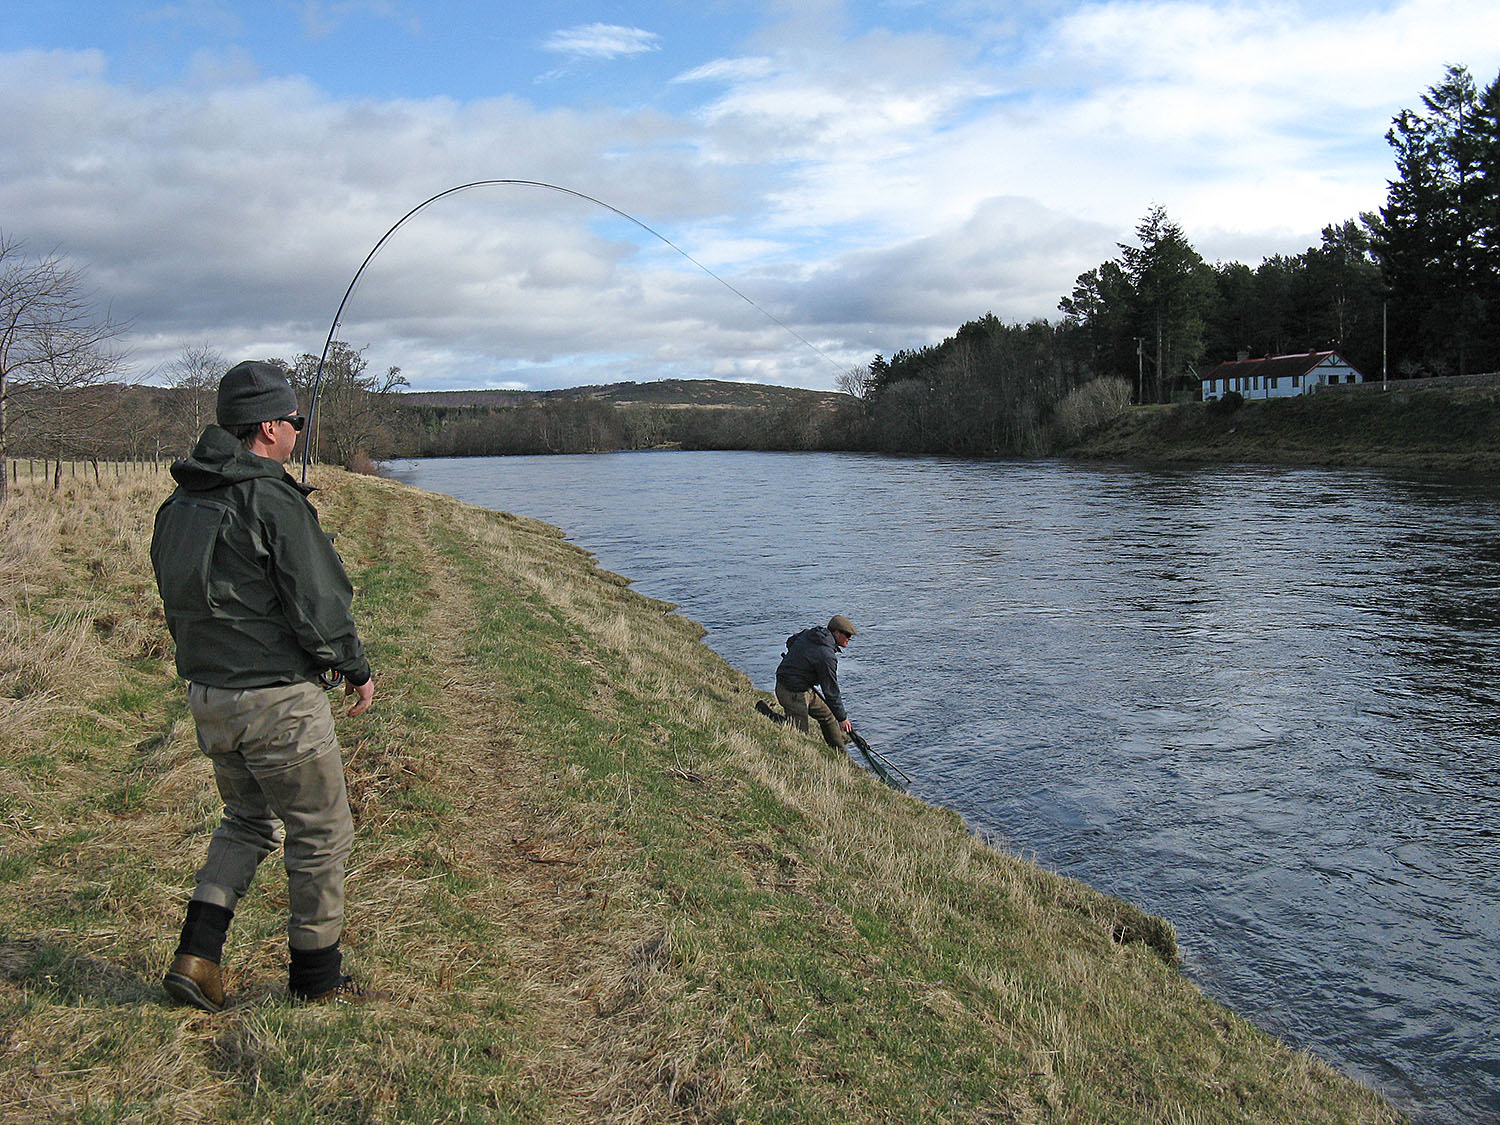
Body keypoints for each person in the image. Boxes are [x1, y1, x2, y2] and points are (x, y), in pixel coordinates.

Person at [150, 360, 381, 1010]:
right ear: (270, 426)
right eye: (295, 422)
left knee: (246, 819)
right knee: (321, 830)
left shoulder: (181, 502)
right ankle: (317, 981)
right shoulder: (268, 497)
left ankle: (196, 957)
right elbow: (320, 602)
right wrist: (354, 668)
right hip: (277, 703)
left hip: (210, 697)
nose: (299, 434)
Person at [767, 615, 858, 748]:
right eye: (848, 635)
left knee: (828, 716)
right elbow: (831, 690)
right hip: (791, 691)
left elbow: (790, 642)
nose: (849, 639)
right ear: (837, 633)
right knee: (800, 736)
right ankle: (770, 716)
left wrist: (801, 663)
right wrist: (843, 719)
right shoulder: (827, 656)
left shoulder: (811, 633)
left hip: (803, 687)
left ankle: (841, 756)